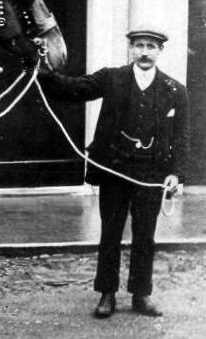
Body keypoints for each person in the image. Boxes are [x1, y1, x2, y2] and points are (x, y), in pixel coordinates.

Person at [38, 26, 187, 319]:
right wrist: (42, 72)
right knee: (111, 233)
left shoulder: (174, 90)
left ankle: (141, 295)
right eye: (139, 45)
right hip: (114, 169)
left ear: (160, 51)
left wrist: (176, 174)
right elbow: (74, 88)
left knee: (145, 236)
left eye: (151, 46)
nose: (144, 52)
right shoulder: (112, 78)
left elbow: (182, 136)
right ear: (131, 49)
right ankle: (107, 294)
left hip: (151, 174)